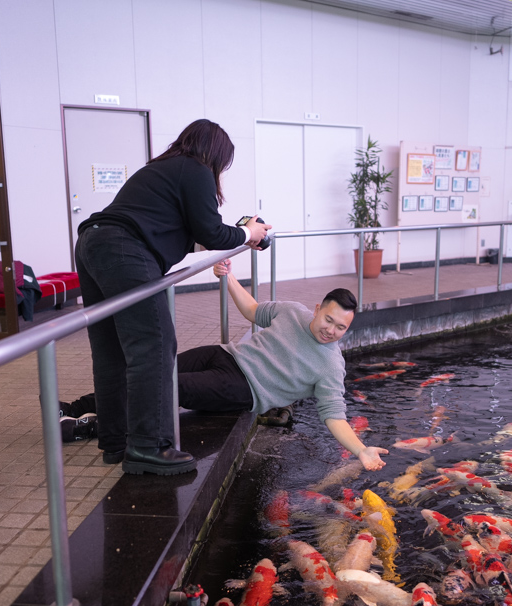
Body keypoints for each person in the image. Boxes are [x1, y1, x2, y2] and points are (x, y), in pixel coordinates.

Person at [74, 119, 271, 476]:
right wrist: (249, 230)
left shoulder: (162, 169)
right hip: (123, 250)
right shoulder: (195, 168)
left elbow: (187, 231)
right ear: (216, 154)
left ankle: (116, 441)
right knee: (154, 345)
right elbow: (211, 230)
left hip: (94, 243)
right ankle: (149, 447)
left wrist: (240, 236)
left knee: (111, 351)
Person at [61, 260, 389, 472]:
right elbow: (252, 310)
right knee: (153, 367)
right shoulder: (293, 311)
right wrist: (228, 276)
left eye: (340, 328)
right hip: (224, 355)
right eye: (328, 319)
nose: (331, 330)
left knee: (167, 385)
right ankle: (71, 408)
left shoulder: (332, 366)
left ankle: (89, 426)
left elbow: (334, 416)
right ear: (318, 309)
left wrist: (360, 450)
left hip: (242, 388)